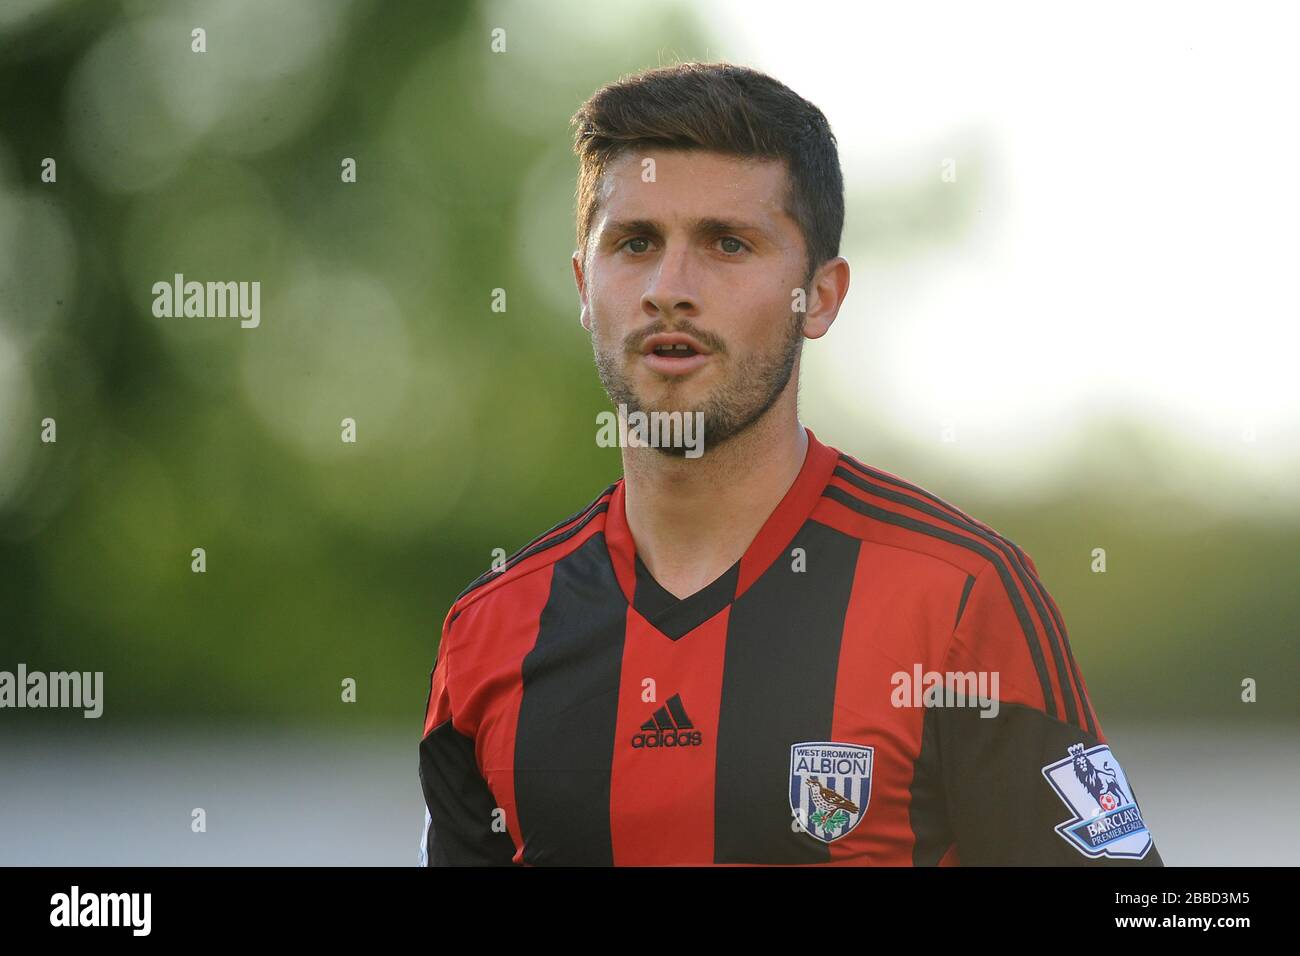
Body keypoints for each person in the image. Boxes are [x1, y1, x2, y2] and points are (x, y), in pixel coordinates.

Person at [418, 62, 1161, 866]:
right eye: (635, 243)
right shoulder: (491, 635)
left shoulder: (956, 599)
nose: (671, 288)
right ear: (583, 285)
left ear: (823, 296)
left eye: (727, 244)